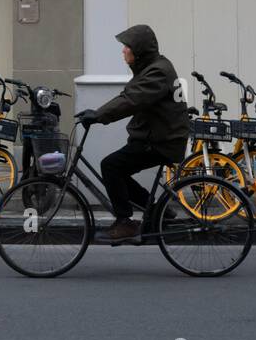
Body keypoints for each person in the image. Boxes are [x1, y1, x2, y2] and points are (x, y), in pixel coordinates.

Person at [77, 24, 189, 243]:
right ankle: (159, 211)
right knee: (118, 170)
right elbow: (130, 97)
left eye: (126, 46)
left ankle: (124, 223)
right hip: (159, 136)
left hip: (162, 141)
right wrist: (99, 114)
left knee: (111, 166)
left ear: (139, 50)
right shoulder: (153, 68)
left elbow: (130, 100)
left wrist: (98, 116)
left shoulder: (157, 72)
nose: (123, 51)